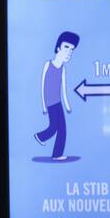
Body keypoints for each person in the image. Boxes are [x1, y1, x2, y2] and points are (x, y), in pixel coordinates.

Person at [34, 31, 77, 161]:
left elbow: (63, 88)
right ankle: (40, 137)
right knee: (54, 127)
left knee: (62, 129)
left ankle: (57, 154)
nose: (69, 52)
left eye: (72, 49)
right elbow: (42, 86)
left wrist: (68, 105)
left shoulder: (63, 69)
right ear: (58, 47)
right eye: (66, 47)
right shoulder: (48, 64)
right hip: (50, 102)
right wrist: (43, 105)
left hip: (58, 103)